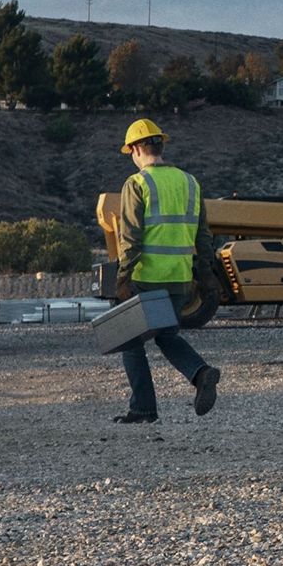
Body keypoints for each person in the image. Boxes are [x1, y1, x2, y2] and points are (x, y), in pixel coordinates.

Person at [110, 118, 220, 425]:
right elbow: (203, 235)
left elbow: (131, 238)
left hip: (147, 279)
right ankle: (200, 373)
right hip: (180, 279)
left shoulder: (137, 183)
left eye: (129, 151)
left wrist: (122, 278)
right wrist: (207, 272)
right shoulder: (190, 182)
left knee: (131, 343)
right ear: (160, 146)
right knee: (167, 336)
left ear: (135, 149)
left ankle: (143, 409)